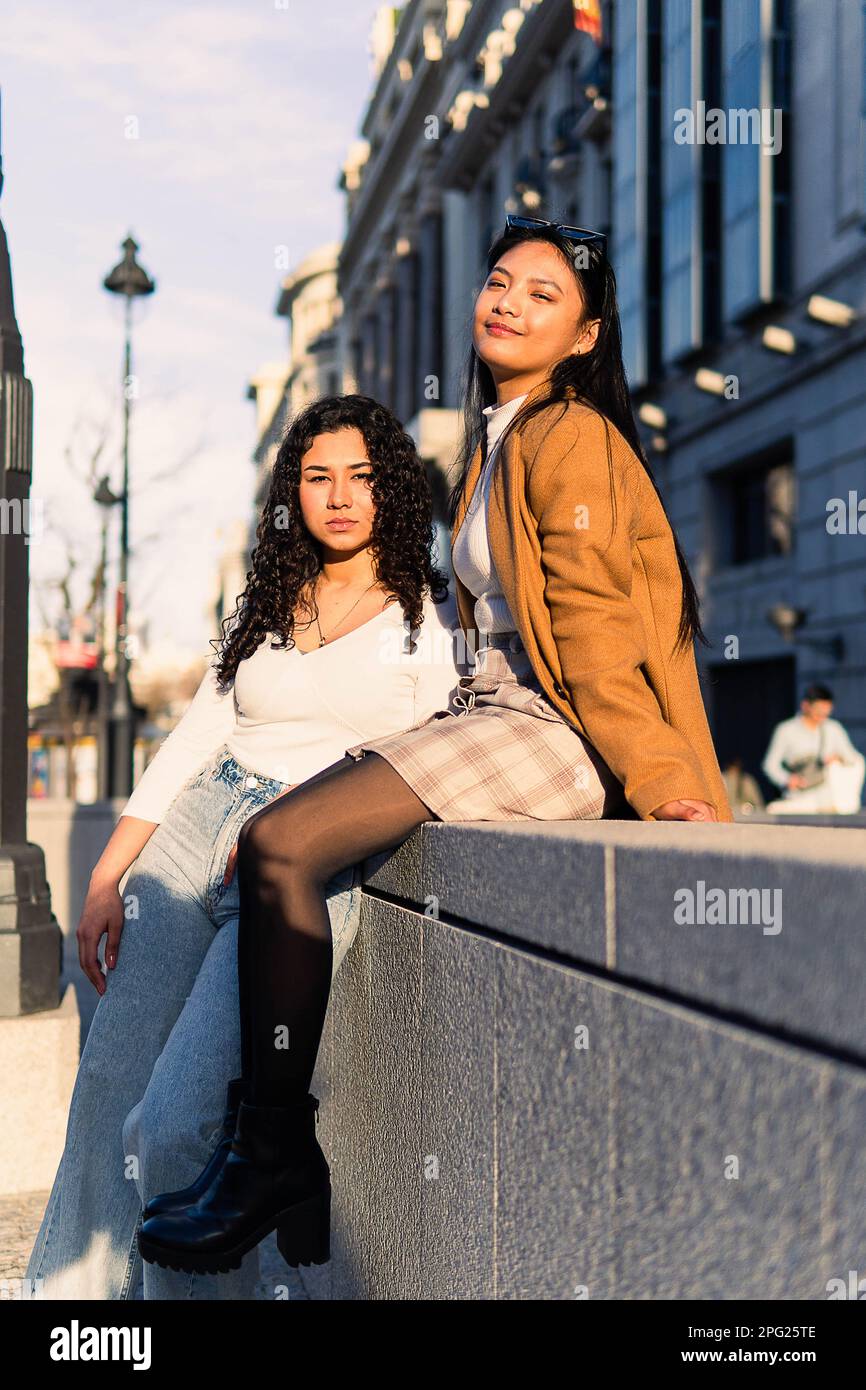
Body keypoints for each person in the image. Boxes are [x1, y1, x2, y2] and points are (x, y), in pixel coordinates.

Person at [137, 214, 734, 1279]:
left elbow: (595, 633)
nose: (505, 301)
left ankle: (273, 1152)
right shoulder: (498, 441)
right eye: (498, 280)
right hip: (489, 710)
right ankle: (270, 1152)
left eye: (541, 294)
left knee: (280, 842)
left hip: (552, 725)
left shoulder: (569, 438)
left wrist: (661, 782)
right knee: (277, 840)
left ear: (587, 335)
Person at [25, 394, 466, 1300]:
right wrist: (112, 871)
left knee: (178, 1127)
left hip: (299, 864)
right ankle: (76, 1306)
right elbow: (197, 735)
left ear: (393, 488)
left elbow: (440, 762)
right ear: (291, 493)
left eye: (362, 476)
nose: (340, 496)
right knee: (108, 1084)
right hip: (194, 834)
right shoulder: (267, 601)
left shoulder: (437, 621)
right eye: (317, 477)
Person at [762, 683, 865, 814]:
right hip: (799, 796)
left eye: (826, 711)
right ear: (805, 705)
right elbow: (770, 765)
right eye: (819, 710)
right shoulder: (786, 730)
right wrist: (787, 779)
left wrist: (838, 758)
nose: (823, 715)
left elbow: (854, 759)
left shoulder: (834, 729)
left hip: (830, 798)